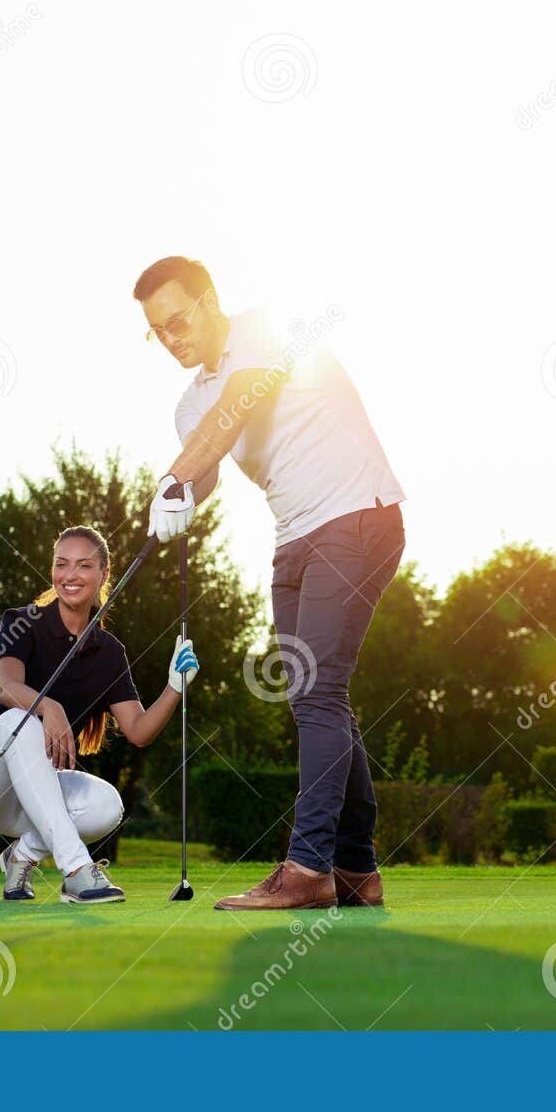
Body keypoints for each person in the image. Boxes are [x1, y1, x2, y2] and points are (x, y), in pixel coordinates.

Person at [138, 256, 406, 912]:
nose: (172, 339)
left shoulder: (264, 328)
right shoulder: (187, 404)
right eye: (156, 332)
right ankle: (356, 870)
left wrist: (171, 476)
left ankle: (309, 867)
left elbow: (238, 404)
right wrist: (181, 500)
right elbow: (206, 469)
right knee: (317, 696)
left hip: (356, 513)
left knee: (318, 693)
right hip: (293, 538)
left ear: (208, 301)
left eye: (176, 321)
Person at [0, 525, 200, 903]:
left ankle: (22, 855)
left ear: (103, 574)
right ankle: (77, 870)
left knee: (108, 805)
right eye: (61, 565)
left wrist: (174, 688)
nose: (70, 575)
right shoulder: (22, 621)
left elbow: (139, 731)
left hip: (31, 798)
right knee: (21, 719)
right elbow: (6, 687)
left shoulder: (110, 653)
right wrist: (49, 706)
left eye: (83, 566)